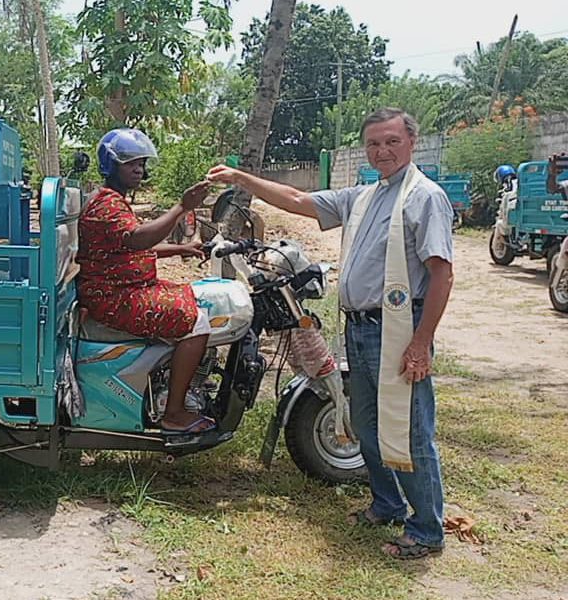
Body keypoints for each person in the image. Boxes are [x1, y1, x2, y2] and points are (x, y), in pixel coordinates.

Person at [206, 108, 453, 560]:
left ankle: (426, 529)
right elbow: (298, 202)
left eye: (391, 141)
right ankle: (387, 503)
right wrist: (245, 178)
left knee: (412, 427)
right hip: (360, 328)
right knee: (366, 424)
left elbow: (441, 274)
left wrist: (420, 343)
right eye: (374, 143)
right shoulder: (364, 195)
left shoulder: (425, 197)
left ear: (411, 143)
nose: (382, 150)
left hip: (398, 330)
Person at [77, 128, 214, 434]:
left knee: (197, 298)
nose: (139, 169)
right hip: (113, 297)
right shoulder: (106, 204)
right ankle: (174, 413)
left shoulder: (112, 200)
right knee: (196, 322)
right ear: (111, 166)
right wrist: (182, 207)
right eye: (130, 163)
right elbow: (138, 239)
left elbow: (132, 246)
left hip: (123, 289)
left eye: (141, 163)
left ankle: (189, 379)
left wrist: (181, 248)